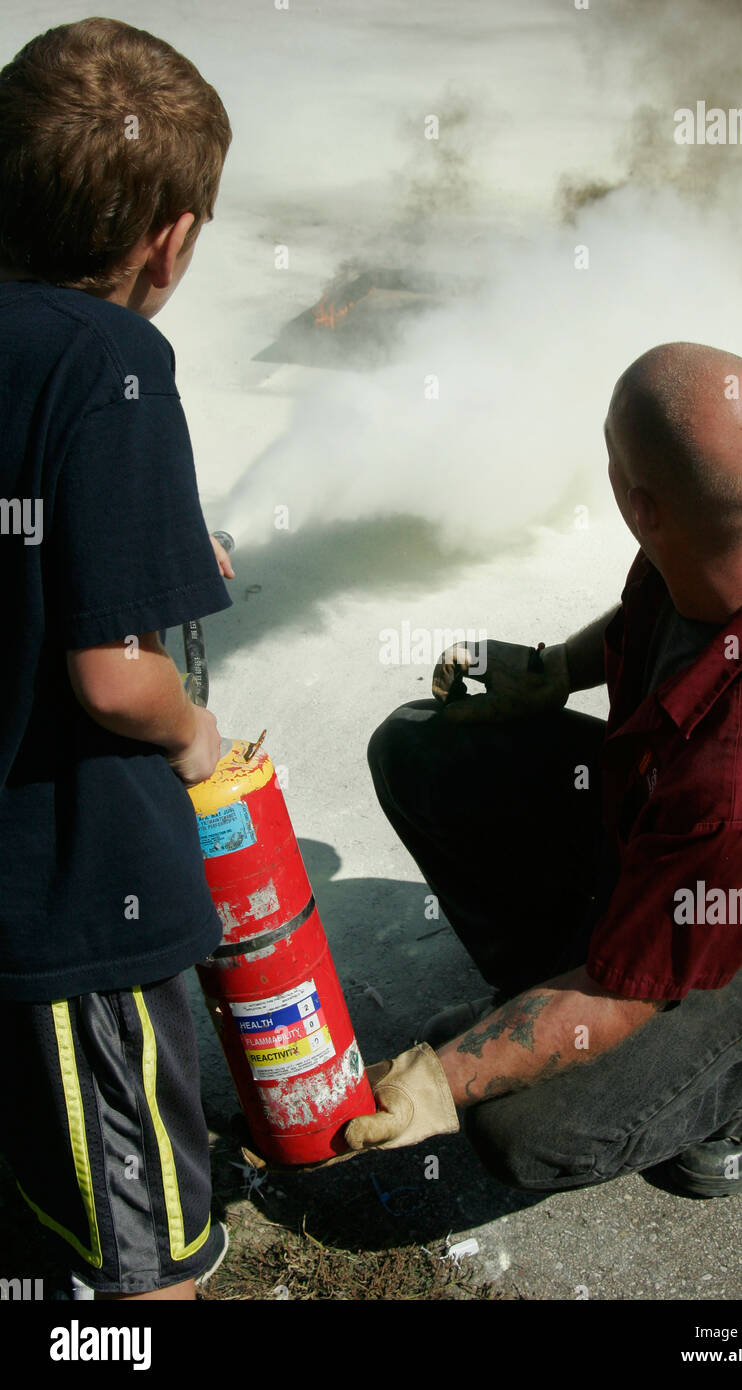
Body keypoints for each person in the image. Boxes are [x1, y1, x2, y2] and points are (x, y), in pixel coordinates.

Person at [351, 342, 742, 1199]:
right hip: (674, 816)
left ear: (642, 506)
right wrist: (556, 671)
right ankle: (540, 989)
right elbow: (656, 593)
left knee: (522, 1132)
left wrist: (444, 1081)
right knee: (421, 750)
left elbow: (629, 991)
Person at [0, 18, 234, 1298]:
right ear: (172, 236)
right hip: (75, 902)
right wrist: (193, 734)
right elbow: (111, 674)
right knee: (147, 1263)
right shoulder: (117, 365)